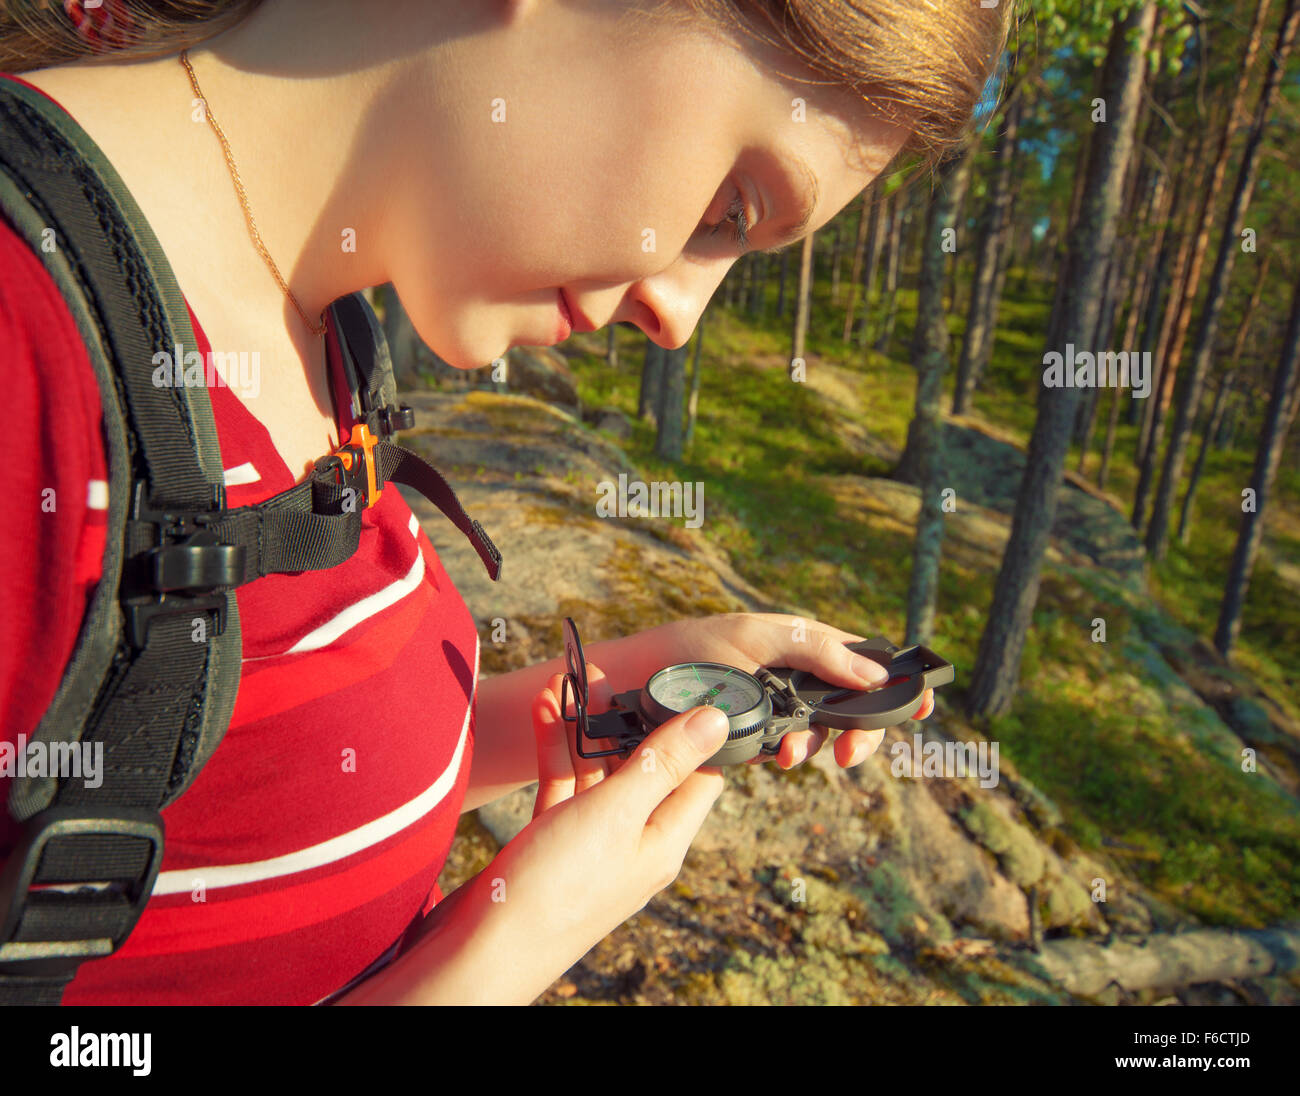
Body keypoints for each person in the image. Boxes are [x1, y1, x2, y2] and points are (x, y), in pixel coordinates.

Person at [0, 0, 1009, 1005]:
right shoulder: (26, 341)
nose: (678, 318)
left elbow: (249, 768)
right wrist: (489, 966)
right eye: (728, 212)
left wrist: (646, 683)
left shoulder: (326, 335)